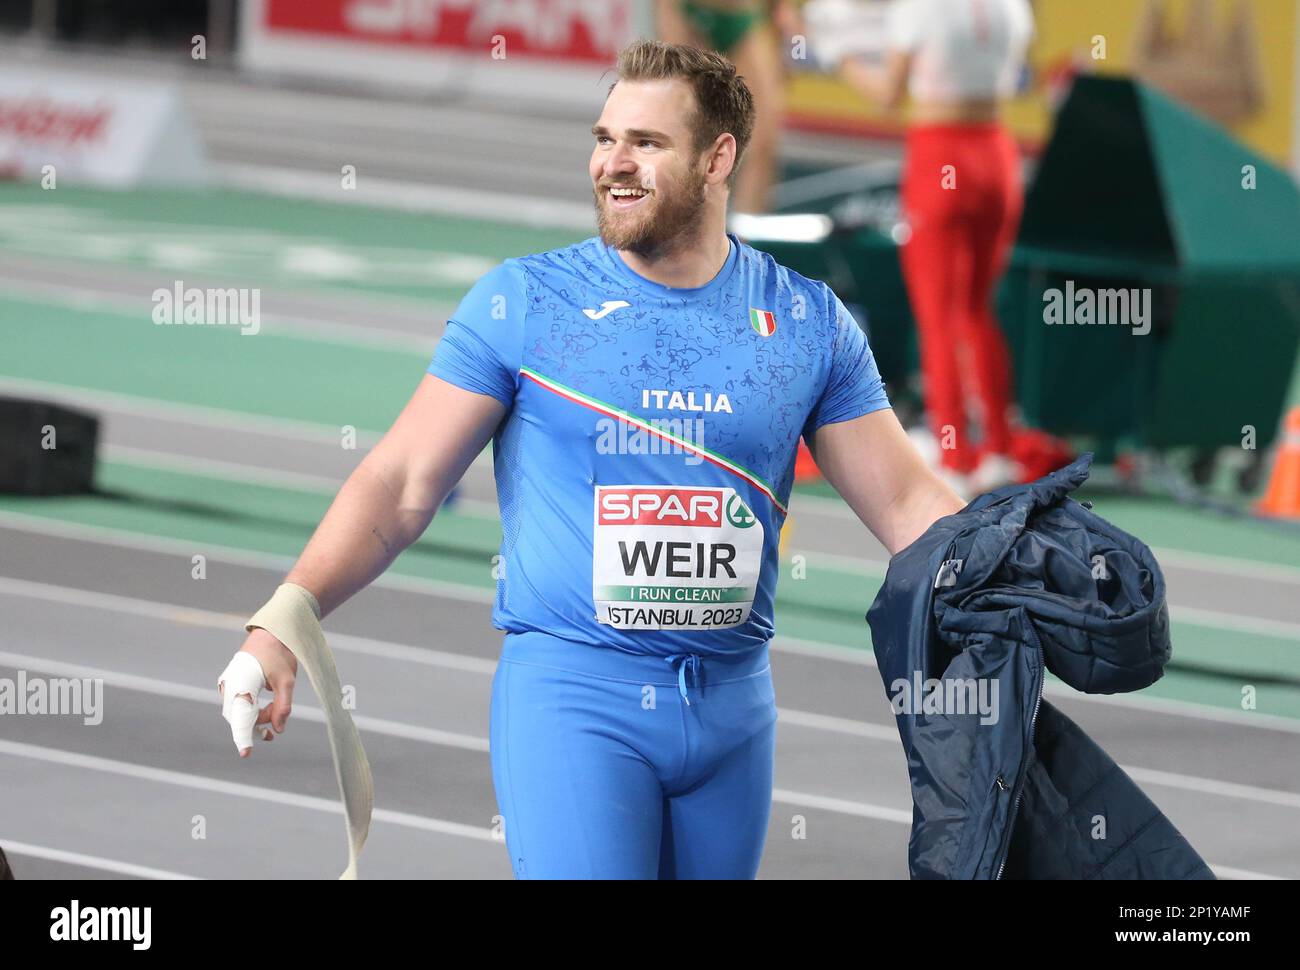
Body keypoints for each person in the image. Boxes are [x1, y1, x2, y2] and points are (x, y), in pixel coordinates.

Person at [217, 39, 966, 880]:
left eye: (646, 143)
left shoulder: (805, 321)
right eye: (604, 138)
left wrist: (1023, 570)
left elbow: (906, 506)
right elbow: (399, 486)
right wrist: (285, 618)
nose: (613, 163)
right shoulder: (527, 302)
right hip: (576, 702)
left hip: (733, 709)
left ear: (719, 158)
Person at [828, 0, 1035, 492]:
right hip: (998, 157)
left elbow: (886, 94)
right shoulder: (1014, 8)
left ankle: (956, 457)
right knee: (977, 309)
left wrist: (838, 55)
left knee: (937, 313)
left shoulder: (919, 7)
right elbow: (1018, 75)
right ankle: (1000, 452)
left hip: (942, 153)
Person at [654, 1, 790, 214]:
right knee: (684, 132)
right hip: (686, 12)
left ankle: (744, 238)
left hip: (744, 17)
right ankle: (677, 225)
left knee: (763, 142)